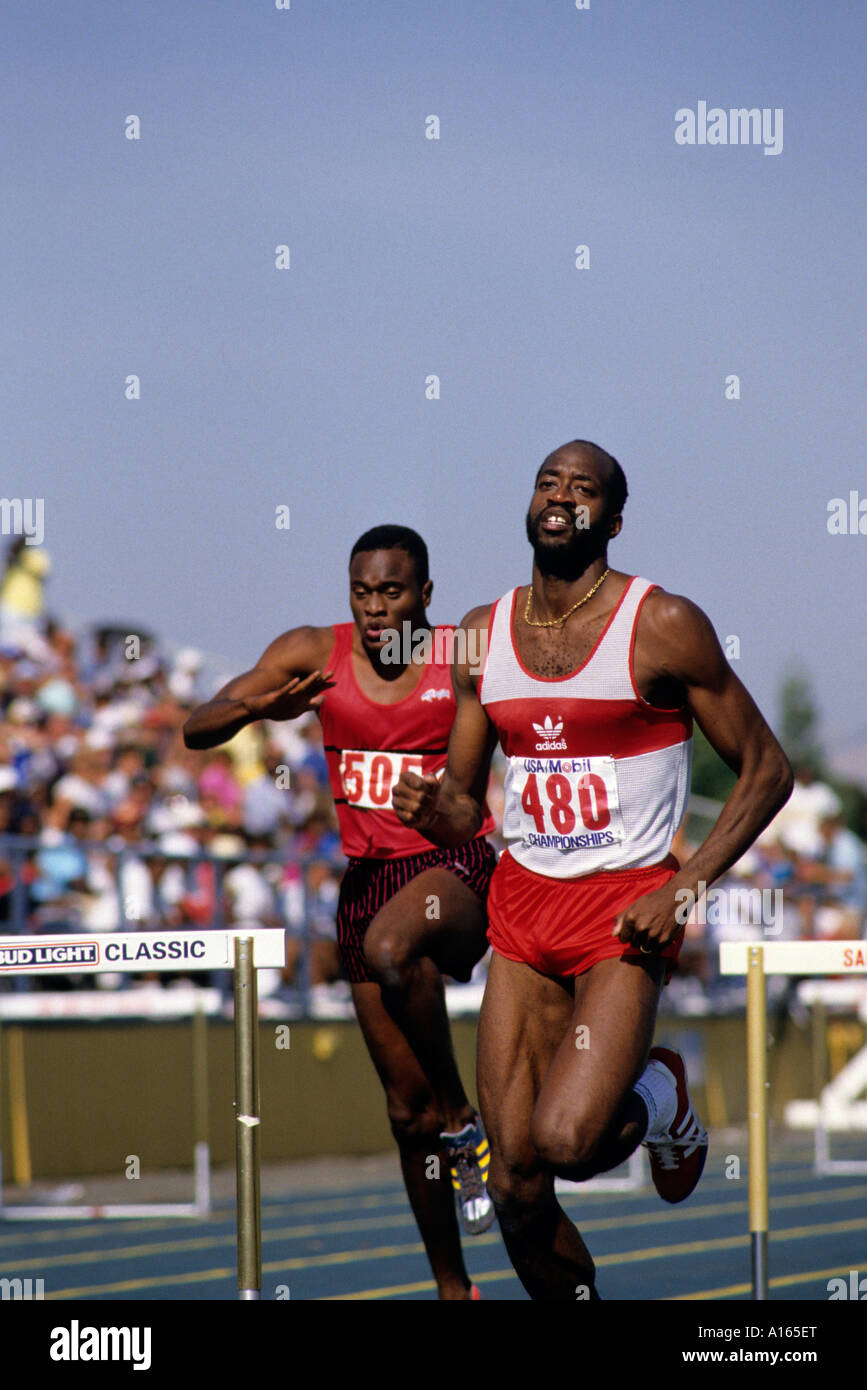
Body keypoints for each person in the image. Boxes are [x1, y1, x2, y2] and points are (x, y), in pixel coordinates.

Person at [393, 440, 794, 1301]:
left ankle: (662, 1093)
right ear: (528, 506)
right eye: (546, 481)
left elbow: (768, 768)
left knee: (569, 1143)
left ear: (610, 521)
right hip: (523, 908)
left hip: (624, 908)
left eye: (582, 488)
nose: (559, 495)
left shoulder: (661, 624)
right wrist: (437, 811)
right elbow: (469, 805)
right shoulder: (477, 636)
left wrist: (682, 887)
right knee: (514, 1183)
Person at [183, 525, 498, 1300]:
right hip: (366, 880)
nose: (374, 609)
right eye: (361, 593)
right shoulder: (312, 653)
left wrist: (435, 806)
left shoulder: (460, 656)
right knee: (402, 1111)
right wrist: (263, 707)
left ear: (425, 595)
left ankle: (465, 1117)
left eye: (391, 592)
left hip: (449, 864)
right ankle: (453, 1287)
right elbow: (197, 727)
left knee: (395, 950)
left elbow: (464, 807)